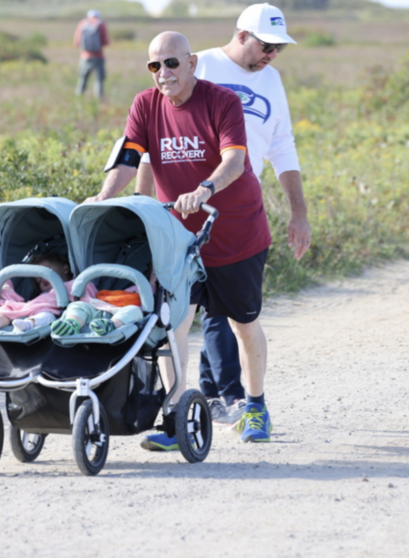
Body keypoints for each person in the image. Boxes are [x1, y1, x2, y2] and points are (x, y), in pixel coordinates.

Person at [86, 31, 274, 446]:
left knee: (243, 325)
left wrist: (205, 189)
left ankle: (255, 407)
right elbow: (129, 157)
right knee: (173, 328)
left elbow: (234, 160)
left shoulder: (222, 101)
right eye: (155, 65)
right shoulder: (145, 104)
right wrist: (104, 197)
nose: (163, 73)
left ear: (191, 63)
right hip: (180, 240)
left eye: (172, 63)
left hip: (235, 232)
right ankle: (175, 418)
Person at [136, 3, 311, 429]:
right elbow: (147, 146)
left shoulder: (271, 79)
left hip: (236, 216)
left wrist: (298, 212)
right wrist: (140, 209)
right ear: (242, 35)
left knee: (235, 318)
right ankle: (204, 405)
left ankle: (237, 400)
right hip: (184, 219)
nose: (272, 54)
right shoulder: (197, 67)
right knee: (187, 320)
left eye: (279, 48)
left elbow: (282, 146)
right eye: (266, 46)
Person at [0, 254, 90, 332]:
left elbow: (86, 295)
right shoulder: (43, 295)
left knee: (46, 315)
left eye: (45, 273)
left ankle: (28, 324)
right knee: (8, 308)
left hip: (51, 311)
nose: (41, 279)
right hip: (34, 307)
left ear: (65, 268)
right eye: (38, 280)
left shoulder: (73, 284)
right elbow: (33, 303)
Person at [73, 10, 109, 99]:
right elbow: (105, 42)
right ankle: (99, 99)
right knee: (99, 79)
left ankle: (79, 97)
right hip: (98, 56)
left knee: (82, 78)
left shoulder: (82, 23)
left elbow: (76, 42)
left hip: (85, 56)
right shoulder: (101, 24)